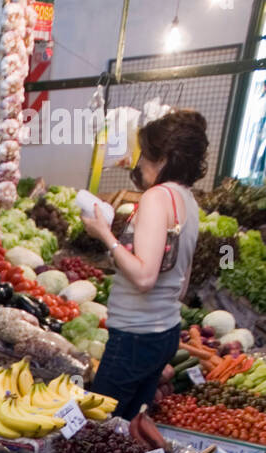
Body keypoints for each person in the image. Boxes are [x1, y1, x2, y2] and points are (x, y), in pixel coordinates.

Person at [80, 109, 207, 418]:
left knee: (99, 428)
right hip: (164, 332)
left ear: (162, 159)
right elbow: (182, 281)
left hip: (135, 337)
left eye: (145, 155)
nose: (140, 163)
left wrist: (104, 235)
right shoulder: (188, 200)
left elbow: (145, 277)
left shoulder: (156, 197)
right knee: (131, 427)